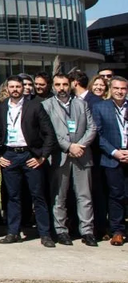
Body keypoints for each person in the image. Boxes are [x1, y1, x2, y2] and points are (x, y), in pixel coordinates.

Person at [0, 76, 57, 247]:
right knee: (13, 197)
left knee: (38, 196)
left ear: (23, 88)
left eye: (18, 86)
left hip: (30, 155)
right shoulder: (1, 107)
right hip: (10, 155)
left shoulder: (35, 106)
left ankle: (45, 234)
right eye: (12, 86)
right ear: (7, 88)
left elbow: (49, 134)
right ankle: (13, 232)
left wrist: (42, 156)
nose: (15, 89)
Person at [42, 73, 97, 246]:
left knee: (84, 195)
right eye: (58, 85)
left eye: (65, 84)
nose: (62, 88)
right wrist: (68, 146)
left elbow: (92, 128)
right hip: (60, 156)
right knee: (59, 195)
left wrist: (80, 145)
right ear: (53, 86)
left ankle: (87, 231)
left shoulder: (82, 104)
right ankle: (61, 231)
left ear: (71, 85)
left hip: (82, 155)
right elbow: (49, 132)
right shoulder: (47, 105)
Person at [94, 76, 128, 246]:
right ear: (110, 89)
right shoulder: (100, 107)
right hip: (111, 159)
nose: (120, 92)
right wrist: (114, 152)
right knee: (116, 195)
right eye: (116, 88)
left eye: (123, 89)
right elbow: (97, 135)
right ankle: (118, 230)